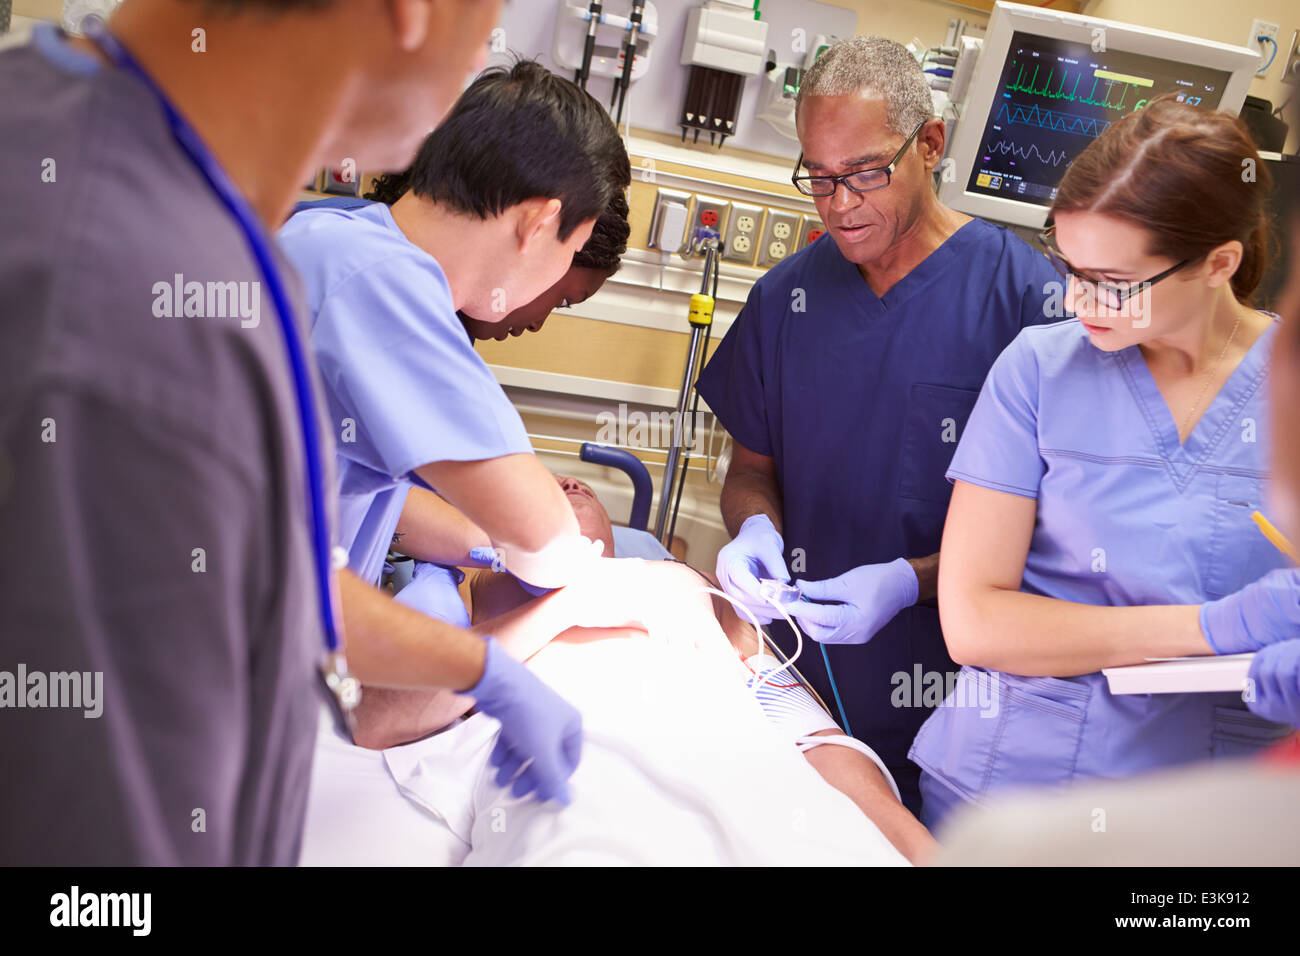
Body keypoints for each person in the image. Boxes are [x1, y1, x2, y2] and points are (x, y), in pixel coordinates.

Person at [0, 0, 560, 865]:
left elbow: (250, 571)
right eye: (490, 24)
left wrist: (476, 668)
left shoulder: (109, 167)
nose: (482, 57)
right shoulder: (132, 297)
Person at [910, 96, 1296, 832]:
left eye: (1113, 282)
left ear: (1220, 263)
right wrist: (1211, 628)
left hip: (1210, 818)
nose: (1075, 298)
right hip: (1008, 795)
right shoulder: (1038, 371)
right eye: (1068, 264)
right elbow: (976, 621)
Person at [695, 35, 1060, 810]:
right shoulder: (784, 301)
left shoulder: (1026, 302)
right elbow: (751, 471)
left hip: (955, 702)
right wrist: (752, 530)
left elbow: (1054, 533)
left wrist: (907, 584)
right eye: (818, 179)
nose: (839, 205)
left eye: (864, 173)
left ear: (929, 145)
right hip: (797, 686)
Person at [304, 474, 934, 865]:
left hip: (747, 774)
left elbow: (813, 738)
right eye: (546, 484)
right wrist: (569, 604)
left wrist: (913, 845)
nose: (570, 486)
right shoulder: (479, 602)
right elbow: (380, 719)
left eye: (582, 487)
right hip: (579, 791)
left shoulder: (685, 580)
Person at [278, 61, 632, 615]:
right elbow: (544, 538)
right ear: (539, 223)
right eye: (572, 248)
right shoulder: (385, 291)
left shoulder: (326, 237)